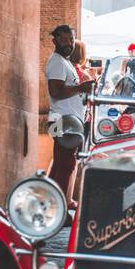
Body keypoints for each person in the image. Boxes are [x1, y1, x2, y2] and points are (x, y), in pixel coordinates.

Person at [44, 24, 93, 198]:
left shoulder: (64, 62)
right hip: (63, 120)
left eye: (71, 39)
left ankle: (49, 203)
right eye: (64, 40)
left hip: (63, 119)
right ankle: (59, 208)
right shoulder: (57, 62)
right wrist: (81, 88)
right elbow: (55, 91)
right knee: (66, 165)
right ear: (55, 41)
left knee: (60, 164)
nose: (69, 43)